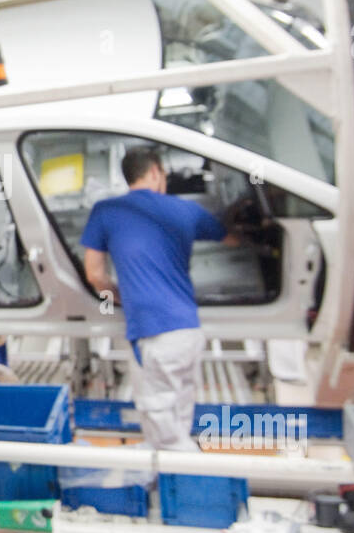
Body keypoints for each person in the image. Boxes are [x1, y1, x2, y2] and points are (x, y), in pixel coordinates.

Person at [81, 146, 239, 452]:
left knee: (163, 430)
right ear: (155, 173)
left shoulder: (105, 211)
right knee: (179, 416)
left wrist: (117, 296)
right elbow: (232, 238)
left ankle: (185, 484)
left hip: (154, 333)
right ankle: (177, 482)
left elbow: (94, 276)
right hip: (189, 331)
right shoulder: (186, 210)